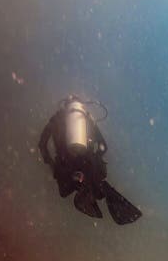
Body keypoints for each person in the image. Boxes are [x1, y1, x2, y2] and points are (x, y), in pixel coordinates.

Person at [38, 96, 142, 224]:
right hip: (87, 163)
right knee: (97, 184)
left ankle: (83, 188)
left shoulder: (55, 120)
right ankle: (93, 189)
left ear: (64, 106)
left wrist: (53, 166)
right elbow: (103, 147)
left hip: (65, 164)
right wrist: (94, 159)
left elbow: (42, 145)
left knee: (64, 191)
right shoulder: (86, 119)